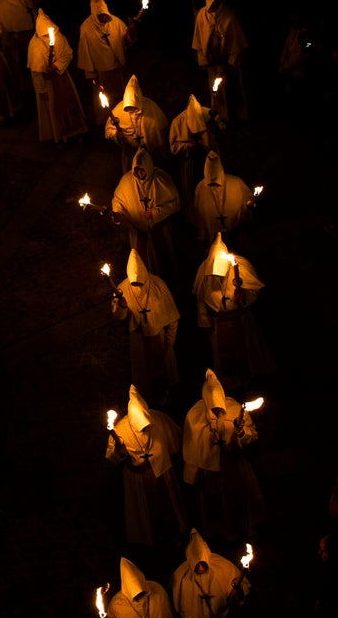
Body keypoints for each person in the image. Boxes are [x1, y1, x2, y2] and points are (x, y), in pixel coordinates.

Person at [181, 368, 267, 546]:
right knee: (218, 505)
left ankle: (245, 529)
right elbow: (193, 446)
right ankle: (222, 535)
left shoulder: (235, 408)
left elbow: (251, 435)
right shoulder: (194, 416)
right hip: (210, 471)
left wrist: (241, 431)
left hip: (233, 464)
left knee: (240, 499)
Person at [105, 384, 189, 555]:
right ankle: (151, 542)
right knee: (145, 514)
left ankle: (176, 537)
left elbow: (175, 441)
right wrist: (120, 453)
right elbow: (112, 458)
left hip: (162, 474)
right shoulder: (120, 428)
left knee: (170, 507)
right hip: (138, 480)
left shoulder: (159, 419)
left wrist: (163, 457)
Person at [191, 232, 275, 392]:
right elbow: (201, 299)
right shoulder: (204, 271)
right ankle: (231, 385)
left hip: (241, 320)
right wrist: (205, 321)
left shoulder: (241, 266)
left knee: (247, 351)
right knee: (224, 358)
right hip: (219, 323)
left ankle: (250, 381)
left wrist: (244, 297)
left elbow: (255, 291)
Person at [111, 247, 180, 405]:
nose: (138, 287)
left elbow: (172, 318)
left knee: (165, 370)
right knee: (145, 374)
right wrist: (121, 307)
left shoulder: (158, 286)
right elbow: (118, 317)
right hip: (139, 339)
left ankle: (168, 395)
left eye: (140, 283)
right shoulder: (121, 289)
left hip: (160, 338)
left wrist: (169, 343)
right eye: (134, 283)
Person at [111, 147, 180, 284]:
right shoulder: (127, 181)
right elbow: (118, 200)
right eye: (136, 170)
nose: (140, 173)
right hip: (139, 231)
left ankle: (166, 282)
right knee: (142, 261)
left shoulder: (161, 179)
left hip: (159, 229)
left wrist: (156, 213)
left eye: (142, 169)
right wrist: (117, 212)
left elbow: (175, 203)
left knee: (164, 260)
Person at [26, 8, 87, 148]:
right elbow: (35, 72)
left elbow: (67, 54)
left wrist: (56, 66)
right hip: (47, 83)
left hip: (62, 77)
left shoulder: (58, 36)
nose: (49, 37)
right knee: (53, 111)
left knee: (69, 104)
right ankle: (59, 136)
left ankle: (75, 131)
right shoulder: (35, 45)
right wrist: (41, 90)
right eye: (45, 35)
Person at [191, 0, 250, 123]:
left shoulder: (229, 16)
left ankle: (238, 116)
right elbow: (199, 41)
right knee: (217, 91)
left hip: (227, 62)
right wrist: (204, 60)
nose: (214, 9)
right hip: (212, 62)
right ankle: (221, 116)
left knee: (233, 89)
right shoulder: (202, 16)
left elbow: (236, 42)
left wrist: (232, 62)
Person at [76, 0, 136, 126]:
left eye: (104, 15)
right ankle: (108, 123)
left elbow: (125, 41)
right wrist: (91, 75)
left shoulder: (114, 22)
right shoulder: (86, 28)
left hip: (117, 68)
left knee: (122, 95)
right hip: (101, 71)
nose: (103, 18)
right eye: (100, 16)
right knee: (106, 99)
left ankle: (127, 120)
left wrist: (128, 36)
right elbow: (86, 53)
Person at [101, 556, 177, 618]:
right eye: (136, 596)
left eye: (142, 594)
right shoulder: (117, 604)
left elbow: (167, 617)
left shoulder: (156, 589)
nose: (139, 597)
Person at [188, 150, 255, 247]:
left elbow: (249, 201)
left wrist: (247, 209)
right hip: (213, 233)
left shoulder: (235, 182)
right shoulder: (201, 187)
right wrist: (202, 233)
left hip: (234, 229)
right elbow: (199, 212)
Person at [105, 74, 170, 172]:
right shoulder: (118, 111)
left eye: (134, 107)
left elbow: (161, 127)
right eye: (128, 107)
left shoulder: (150, 107)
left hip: (150, 154)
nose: (130, 109)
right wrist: (116, 135)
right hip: (130, 153)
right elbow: (108, 130)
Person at [168, 93, 222, 205]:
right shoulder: (178, 122)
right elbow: (173, 147)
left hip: (207, 158)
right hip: (190, 162)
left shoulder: (206, 114)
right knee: (192, 188)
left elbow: (220, 127)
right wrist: (186, 146)